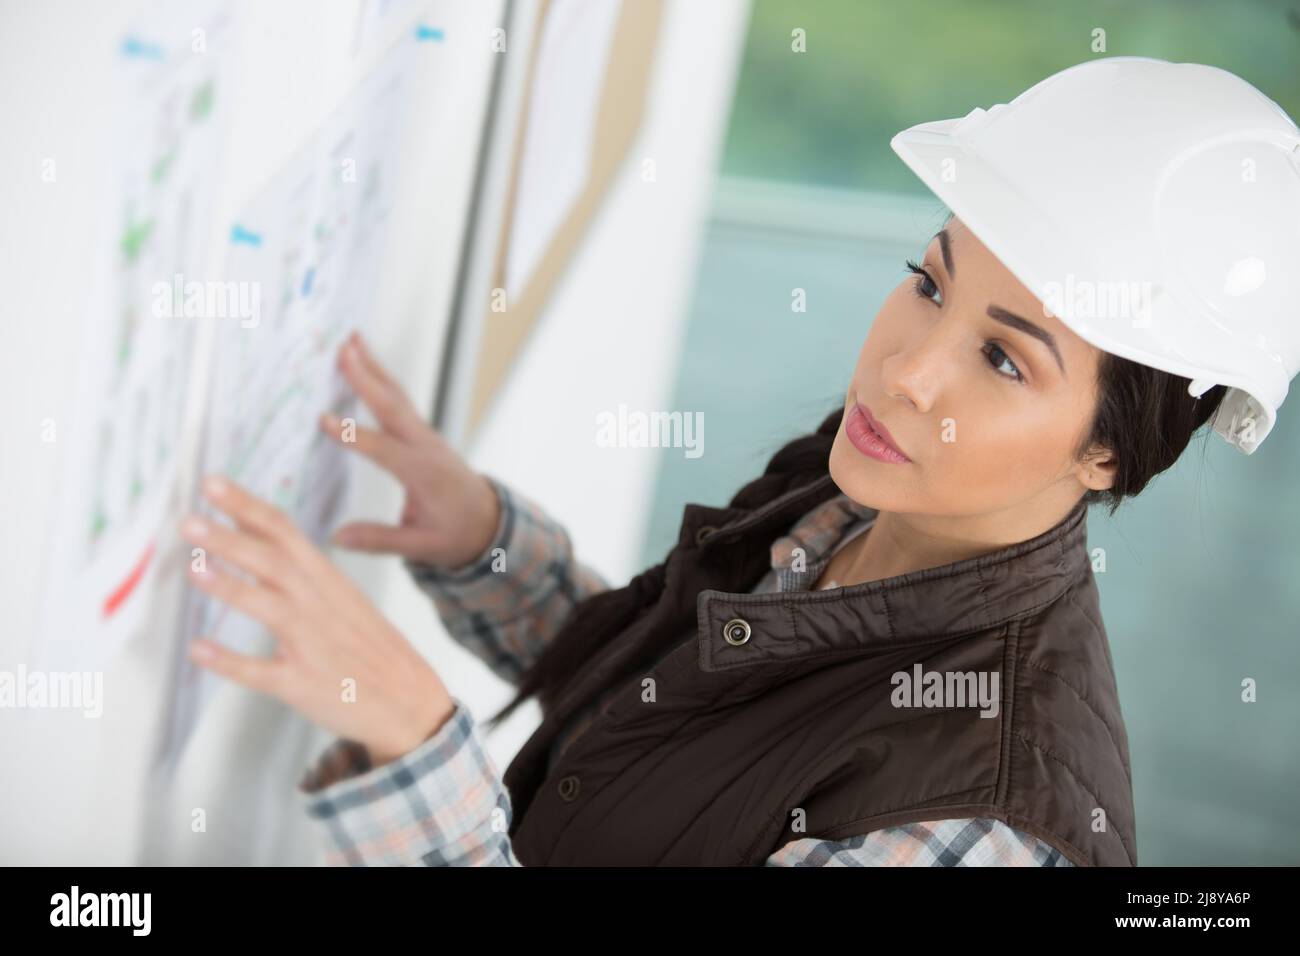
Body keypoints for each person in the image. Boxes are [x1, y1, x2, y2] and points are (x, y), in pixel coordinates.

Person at [179, 57, 1300, 866]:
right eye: (927, 281)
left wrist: (420, 761)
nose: (905, 370)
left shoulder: (982, 822)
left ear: (1110, 447)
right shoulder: (853, 491)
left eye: (1004, 361)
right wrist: (487, 544)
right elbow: (695, 719)